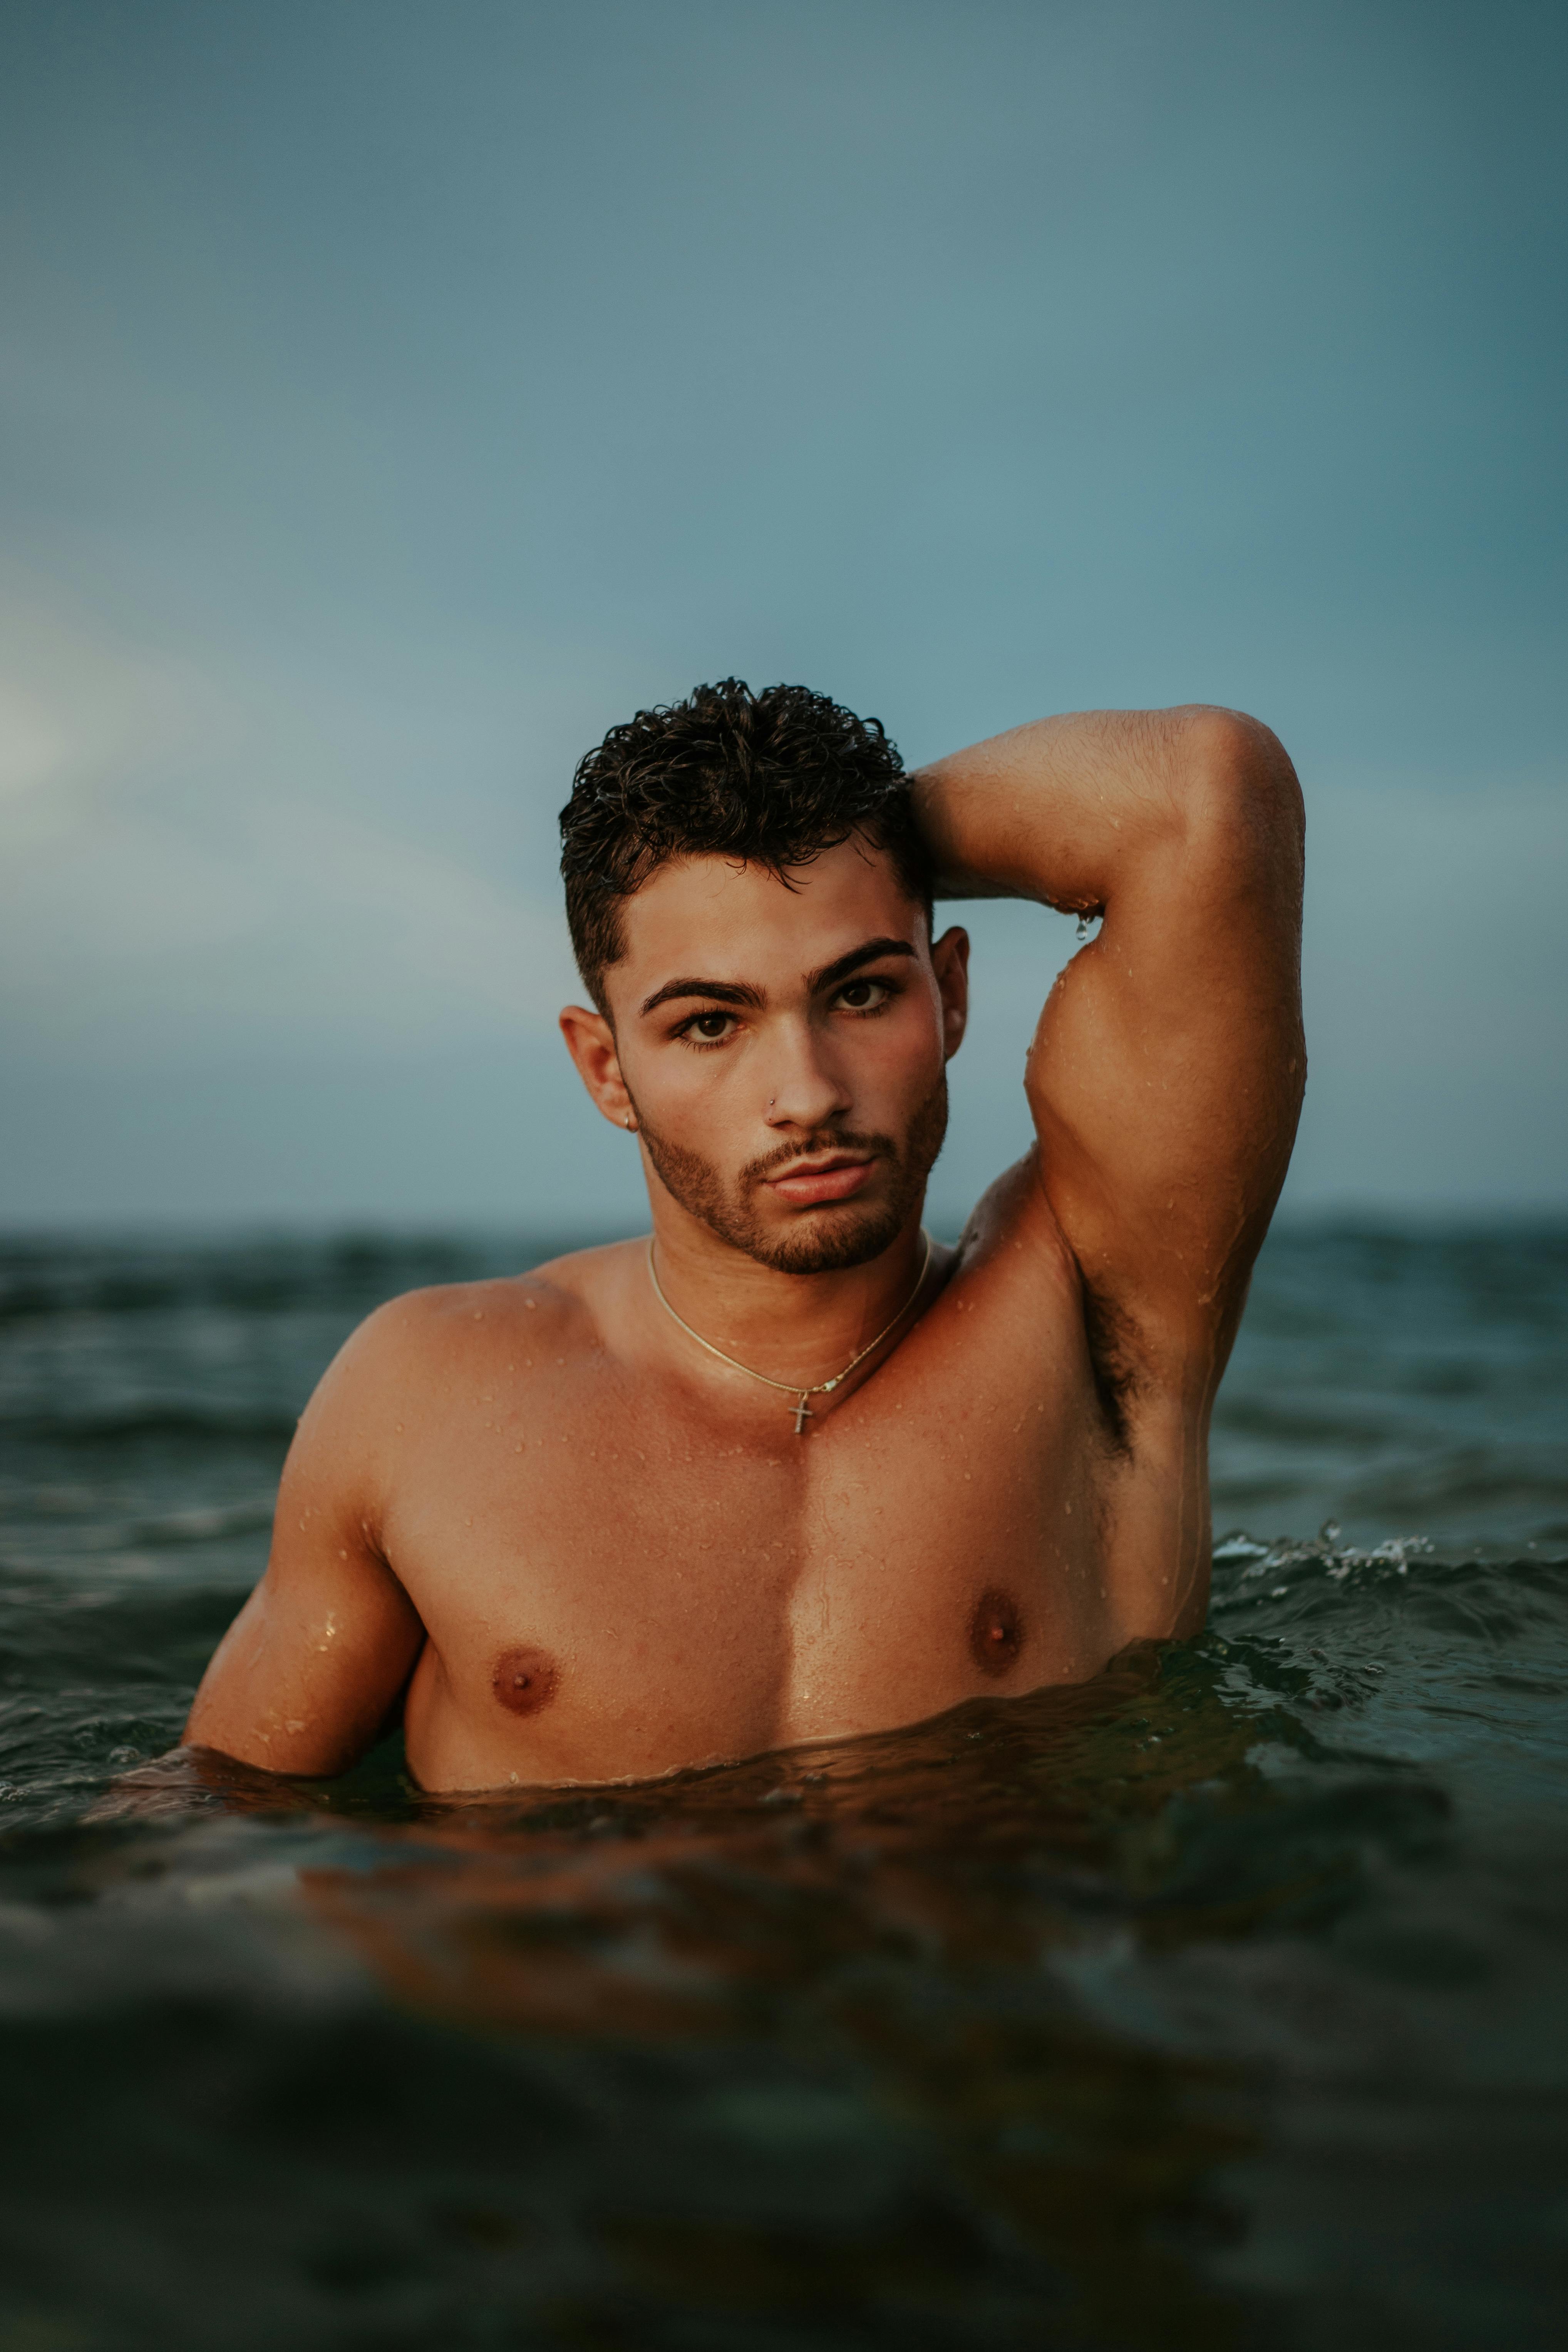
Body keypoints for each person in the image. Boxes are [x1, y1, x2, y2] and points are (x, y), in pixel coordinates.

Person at [186, 682, 1305, 1791]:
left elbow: (1204, 792)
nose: (806, 1091)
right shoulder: (422, 1398)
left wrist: (861, 830)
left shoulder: (1090, 1315)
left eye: (861, 992)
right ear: (606, 1068)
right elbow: (207, 1824)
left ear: (950, 993)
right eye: (711, 1023)